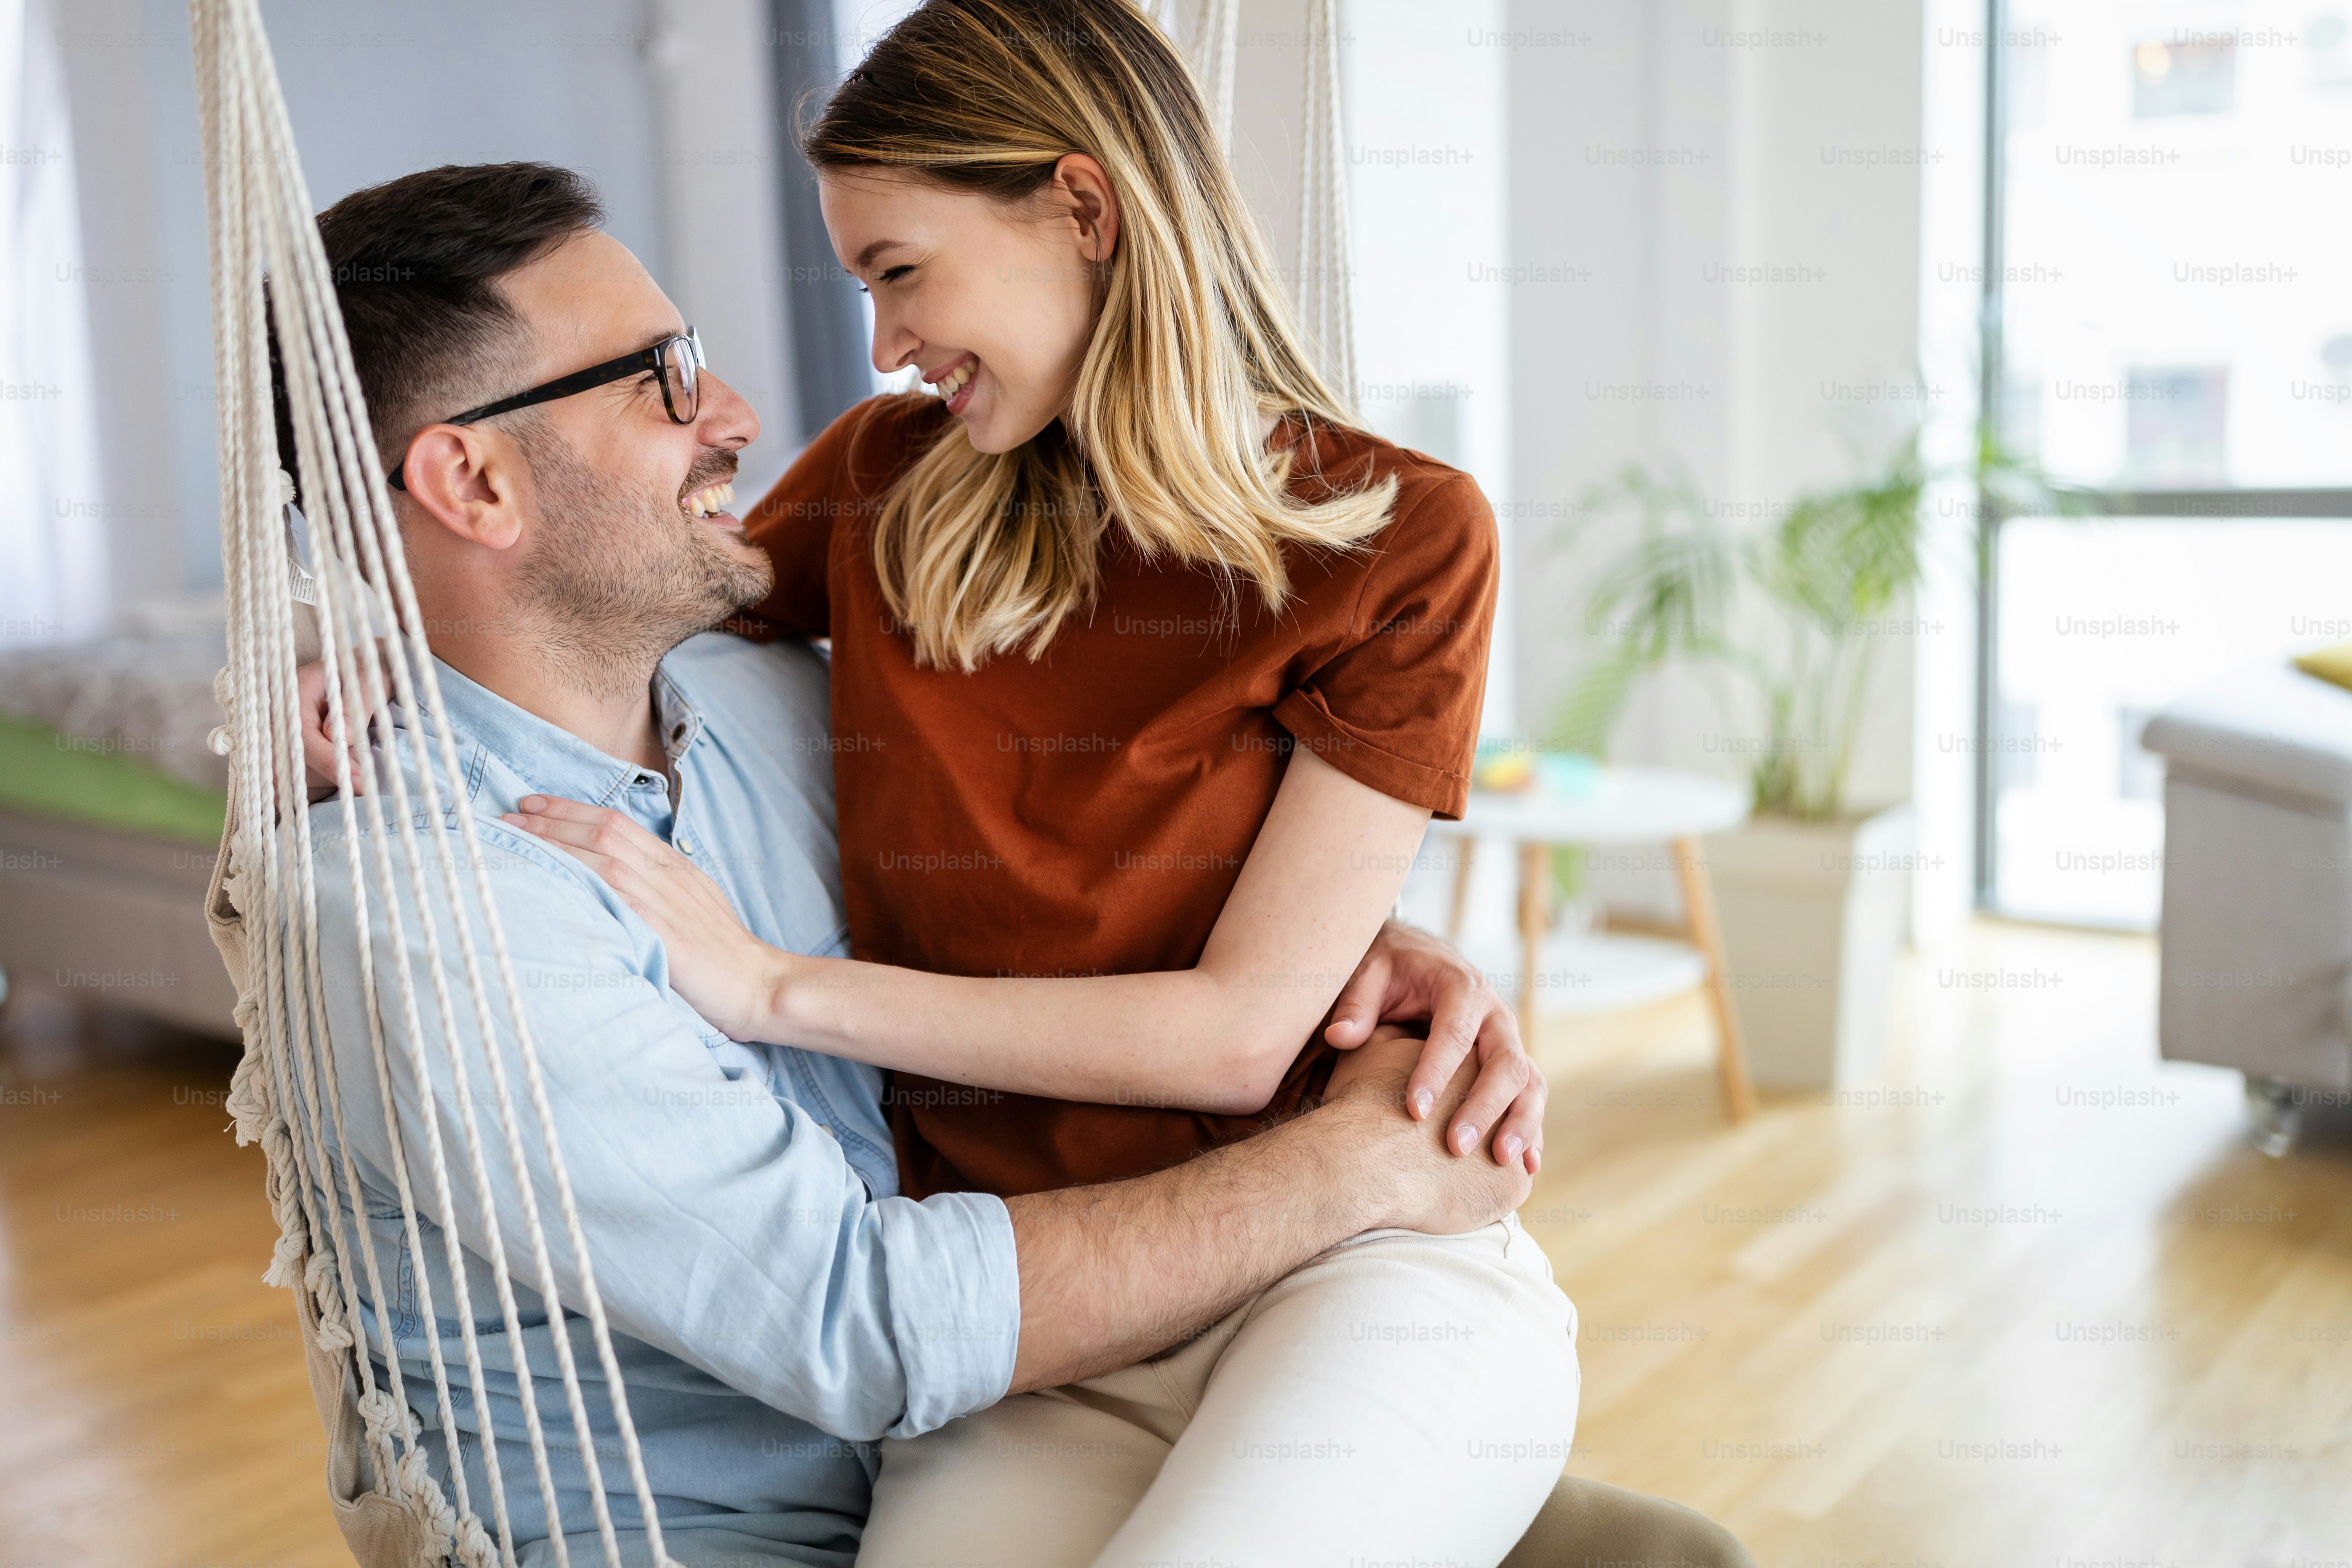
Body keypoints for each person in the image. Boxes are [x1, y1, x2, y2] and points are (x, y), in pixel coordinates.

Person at [286, 155, 1748, 1565]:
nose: (738, 413)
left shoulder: (773, 706)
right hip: (943, 1421)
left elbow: (1106, 839)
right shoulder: (438, 916)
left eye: (898, 273)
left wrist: (1348, 945)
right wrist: (1359, 1161)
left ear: (1083, 212)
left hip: (1167, 1339)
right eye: (665, 377)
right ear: (470, 483)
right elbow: (865, 1322)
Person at [482, 3, 1570, 1562]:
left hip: (1349, 1252)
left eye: (901, 271)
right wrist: (358, 644)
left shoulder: (1399, 537)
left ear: (1084, 206)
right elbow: (600, 595)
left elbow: (1235, 1034)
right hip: (1030, 1329)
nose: (881, 346)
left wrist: (775, 990)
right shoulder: (881, 487)